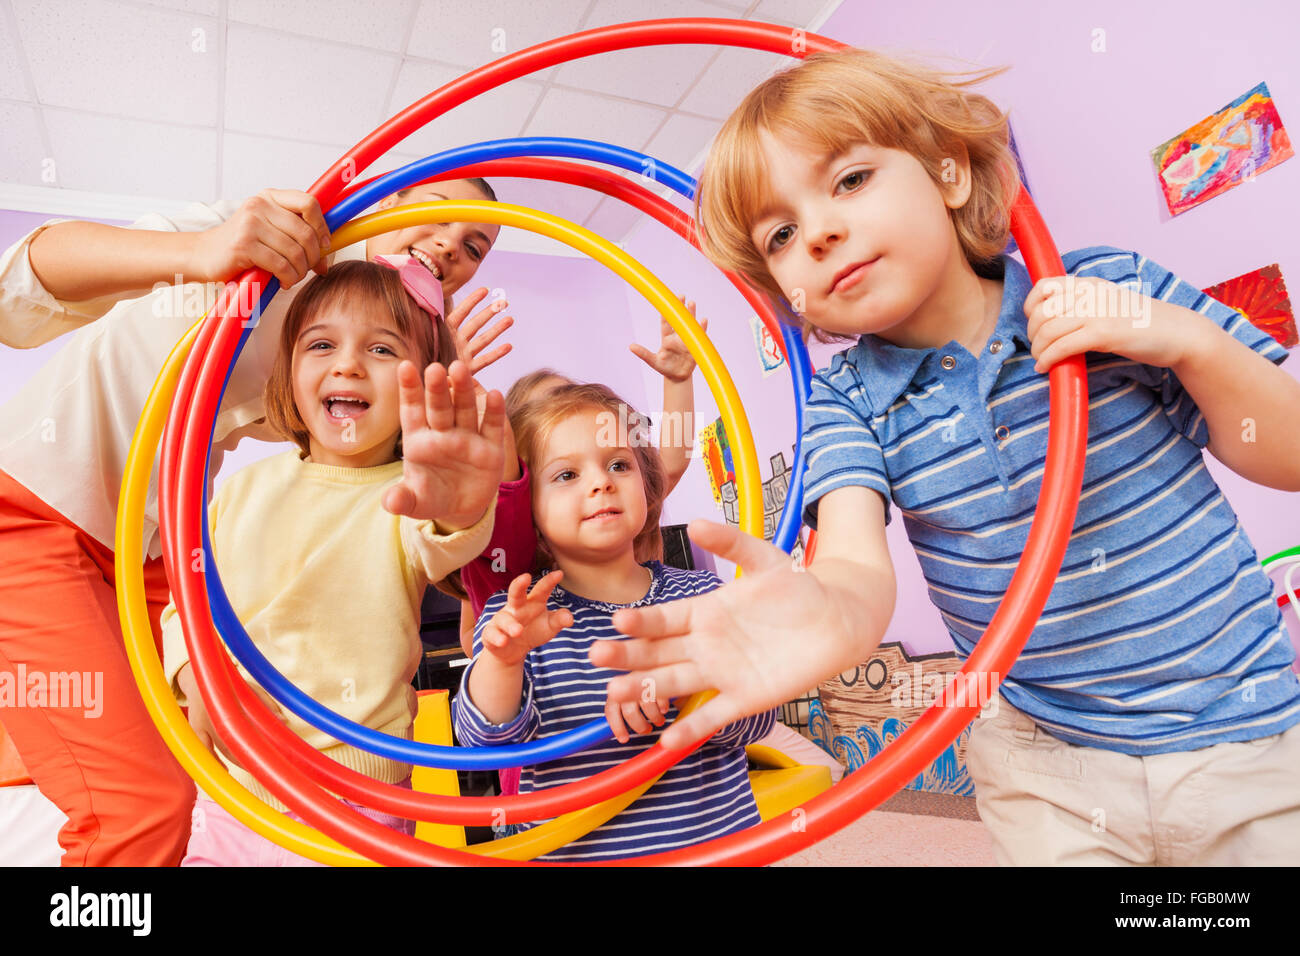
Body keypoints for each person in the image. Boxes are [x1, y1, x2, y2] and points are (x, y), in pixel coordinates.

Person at [592, 48, 1300, 865]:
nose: (819, 231)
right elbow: (855, 563)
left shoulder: (1104, 287)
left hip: (1242, 727)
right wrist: (832, 615)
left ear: (950, 173)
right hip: (1045, 763)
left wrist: (1192, 344)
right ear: (783, 287)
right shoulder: (847, 400)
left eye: (850, 180)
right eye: (781, 234)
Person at [0, 177, 511, 865]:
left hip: (152, 547)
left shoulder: (363, 377)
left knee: (179, 763)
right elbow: (16, 286)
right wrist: (206, 250)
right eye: (443, 214)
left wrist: (433, 403)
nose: (452, 245)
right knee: (142, 803)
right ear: (385, 201)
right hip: (37, 506)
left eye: (475, 244)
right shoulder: (259, 232)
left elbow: (419, 517)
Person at [164, 255, 504, 866]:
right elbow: (185, 606)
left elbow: (449, 538)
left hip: (358, 798)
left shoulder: (411, 492)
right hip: (237, 785)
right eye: (321, 344)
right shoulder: (240, 490)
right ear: (288, 370)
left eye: (380, 350)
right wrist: (198, 686)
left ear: (420, 382)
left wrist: (462, 509)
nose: (347, 363)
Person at [452, 383, 775, 860]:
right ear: (530, 513)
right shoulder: (516, 616)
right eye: (565, 475)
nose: (601, 483)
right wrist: (503, 660)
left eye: (618, 465)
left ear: (646, 484)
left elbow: (759, 719)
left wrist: (692, 680)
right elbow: (485, 739)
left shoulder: (703, 595)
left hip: (716, 849)